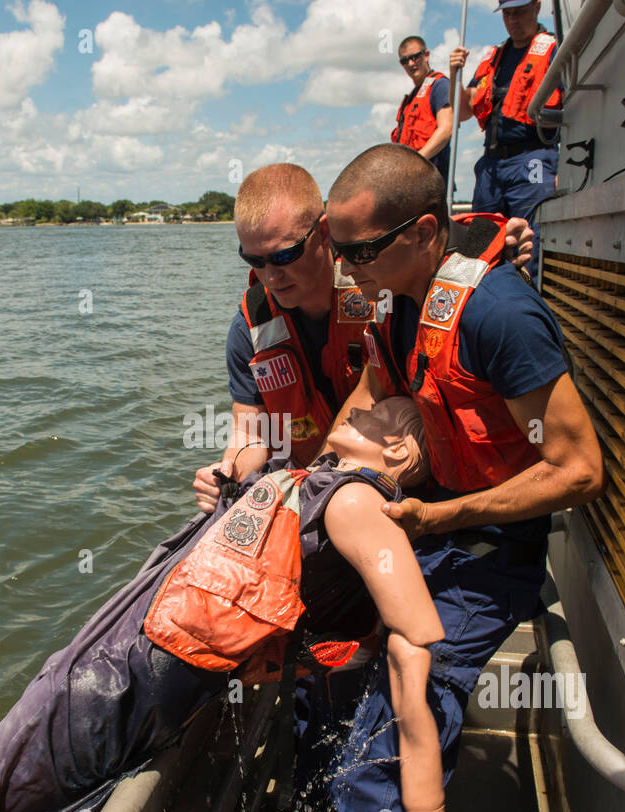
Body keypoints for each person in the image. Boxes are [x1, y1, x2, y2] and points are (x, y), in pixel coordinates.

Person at [0, 397, 462, 812]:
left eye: (376, 415)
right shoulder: (321, 481)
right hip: (138, 645)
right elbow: (252, 456)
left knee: (11, 780)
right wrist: (231, 468)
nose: (357, 409)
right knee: (16, 767)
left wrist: (425, 808)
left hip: (142, 670)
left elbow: (415, 638)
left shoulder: (357, 502)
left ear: (396, 450)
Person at [321, 142, 604, 812]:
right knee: (316, 664)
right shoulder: (401, 306)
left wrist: (440, 518)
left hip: (487, 554)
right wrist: (320, 469)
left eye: (363, 250)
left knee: (369, 777)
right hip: (433, 533)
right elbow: (375, 393)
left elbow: (577, 470)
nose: (348, 268)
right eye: (338, 249)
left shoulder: (499, 315)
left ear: (421, 232)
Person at [192, 163, 534, 512]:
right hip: (313, 487)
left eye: (284, 255)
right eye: (254, 260)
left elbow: (422, 242)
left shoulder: (383, 281)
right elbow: (250, 432)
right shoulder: (250, 328)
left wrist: (497, 239)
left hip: (409, 489)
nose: (270, 276)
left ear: (323, 233)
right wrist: (228, 471)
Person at [448, 0, 562, 281]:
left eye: (520, 11)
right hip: (491, 165)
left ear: (537, 7)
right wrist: (454, 75)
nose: (513, 20)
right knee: (481, 243)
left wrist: (562, 168)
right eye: (507, 14)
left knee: (528, 247)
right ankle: (482, 305)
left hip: (533, 158)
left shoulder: (554, 50)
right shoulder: (494, 58)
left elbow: (578, 106)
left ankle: (527, 310)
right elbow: (462, 112)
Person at [391, 36, 454, 184]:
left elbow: (446, 130)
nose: (411, 63)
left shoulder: (439, 86)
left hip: (430, 182)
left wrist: (416, 162)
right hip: (410, 182)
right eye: (404, 60)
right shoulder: (411, 98)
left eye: (415, 57)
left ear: (426, 55)